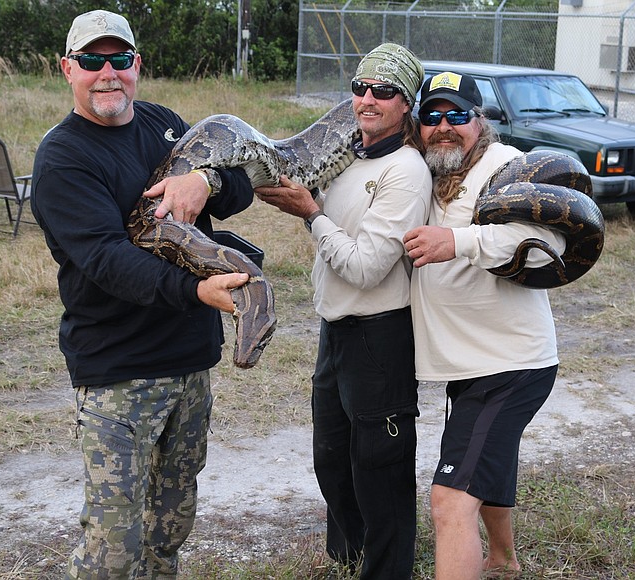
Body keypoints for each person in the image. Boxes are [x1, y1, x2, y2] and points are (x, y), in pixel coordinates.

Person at [30, 10, 254, 578]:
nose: (108, 73)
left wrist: (204, 180)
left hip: (189, 363)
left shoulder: (167, 125)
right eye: (91, 60)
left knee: (170, 527)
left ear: (137, 65)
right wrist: (197, 290)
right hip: (117, 372)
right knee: (114, 542)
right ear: (68, 69)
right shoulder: (63, 157)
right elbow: (107, 260)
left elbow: (243, 184)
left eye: (120, 59)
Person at [253, 43, 433, 579]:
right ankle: (349, 554)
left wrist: (312, 214)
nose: (367, 99)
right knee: (331, 457)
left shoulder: (405, 173)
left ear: (406, 104)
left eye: (383, 92)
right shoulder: (351, 158)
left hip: (380, 336)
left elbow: (364, 267)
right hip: (336, 330)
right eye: (359, 88)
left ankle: (389, 568)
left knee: (380, 466)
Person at [403, 72, 567, 578]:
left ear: (481, 121)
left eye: (457, 115)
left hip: (512, 363)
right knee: (483, 463)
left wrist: (458, 241)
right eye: (431, 116)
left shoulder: (507, 167)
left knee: (450, 501)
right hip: (468, 363)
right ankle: (502, 559)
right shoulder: (424, 172)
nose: (444, 126)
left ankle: (497, 558)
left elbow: (549, 243)